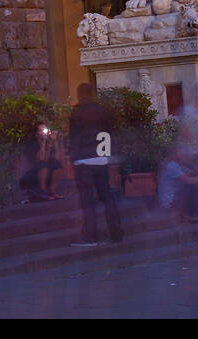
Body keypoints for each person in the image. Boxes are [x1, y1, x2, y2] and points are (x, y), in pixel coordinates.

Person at [68, 85, 123, 246]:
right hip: (101, 158)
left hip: (83, 160)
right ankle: (116, 233)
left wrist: (74, 158)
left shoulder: (77, 112)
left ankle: (91, 236)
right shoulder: (102, 111)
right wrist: (106, 154)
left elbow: (74, 136)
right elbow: (109, 133)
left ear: (80, 95)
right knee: (106, 196)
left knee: (87, 200)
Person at [18, 121, 62, 202]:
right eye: (40, 130)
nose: (43, 133)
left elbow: (57, 158)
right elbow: (41, 159)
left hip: (44, 172)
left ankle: (52, 192)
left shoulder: (48, 142)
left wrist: (55, 142)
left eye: (44, 130)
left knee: (57, 164)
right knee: (43, 165)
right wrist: (43, 143)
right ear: (36, 134)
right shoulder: (32, 144)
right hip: (29, 176)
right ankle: (43, 193)